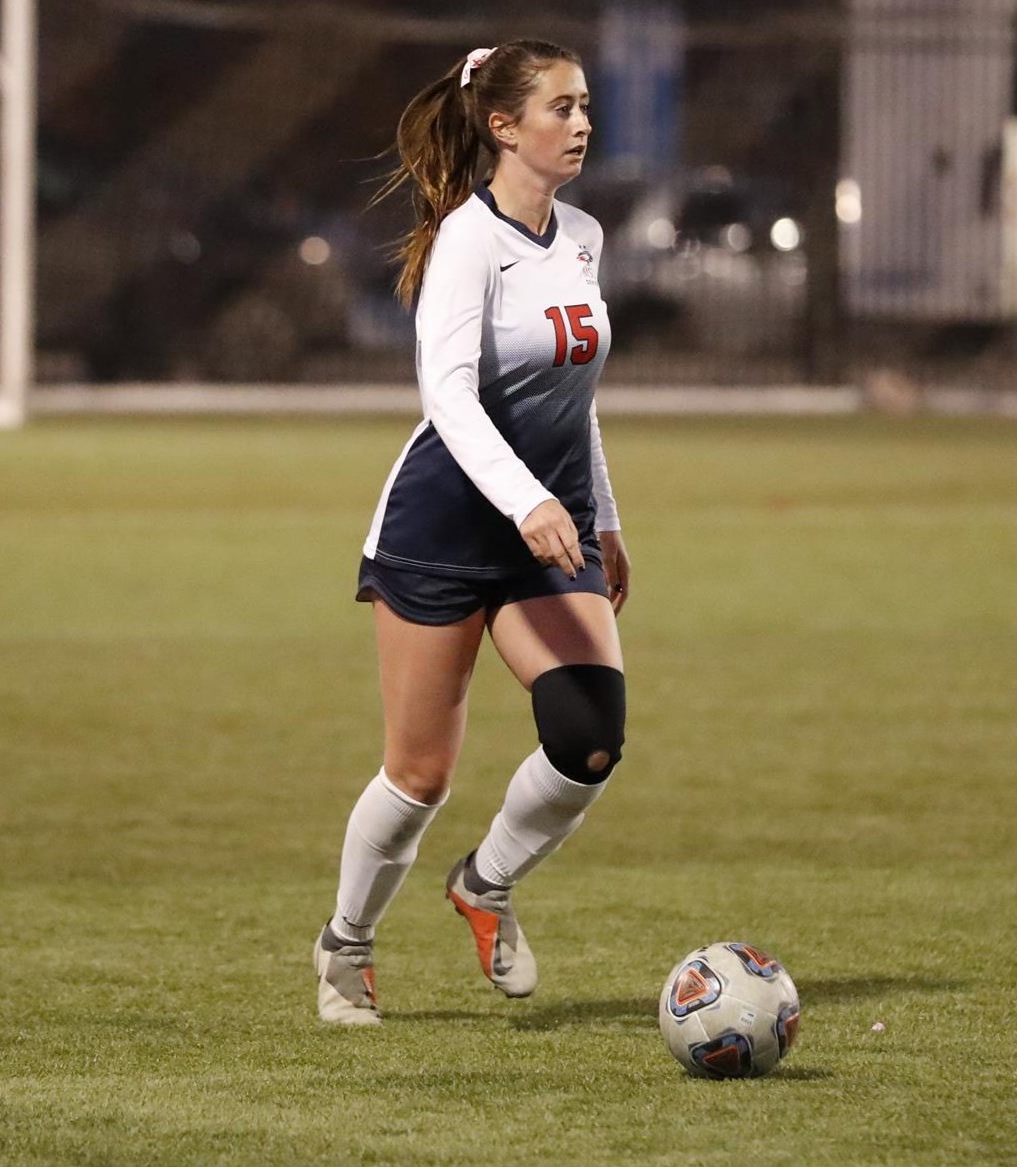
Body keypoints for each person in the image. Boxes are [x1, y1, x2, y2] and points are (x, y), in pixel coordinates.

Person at [315, 38, 631, 1026]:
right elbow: (446, 393)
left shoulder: (579, 233)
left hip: (552, 531)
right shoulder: (468, 239)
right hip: (448, 523)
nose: (579, 124)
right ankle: (345, 948)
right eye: (559, 108)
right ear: (502, 126)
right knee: (419, 775)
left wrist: (601, 514)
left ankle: (484, 886)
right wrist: (524, 500)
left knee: (589, 739)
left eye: (584, 106)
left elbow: (575, 399)